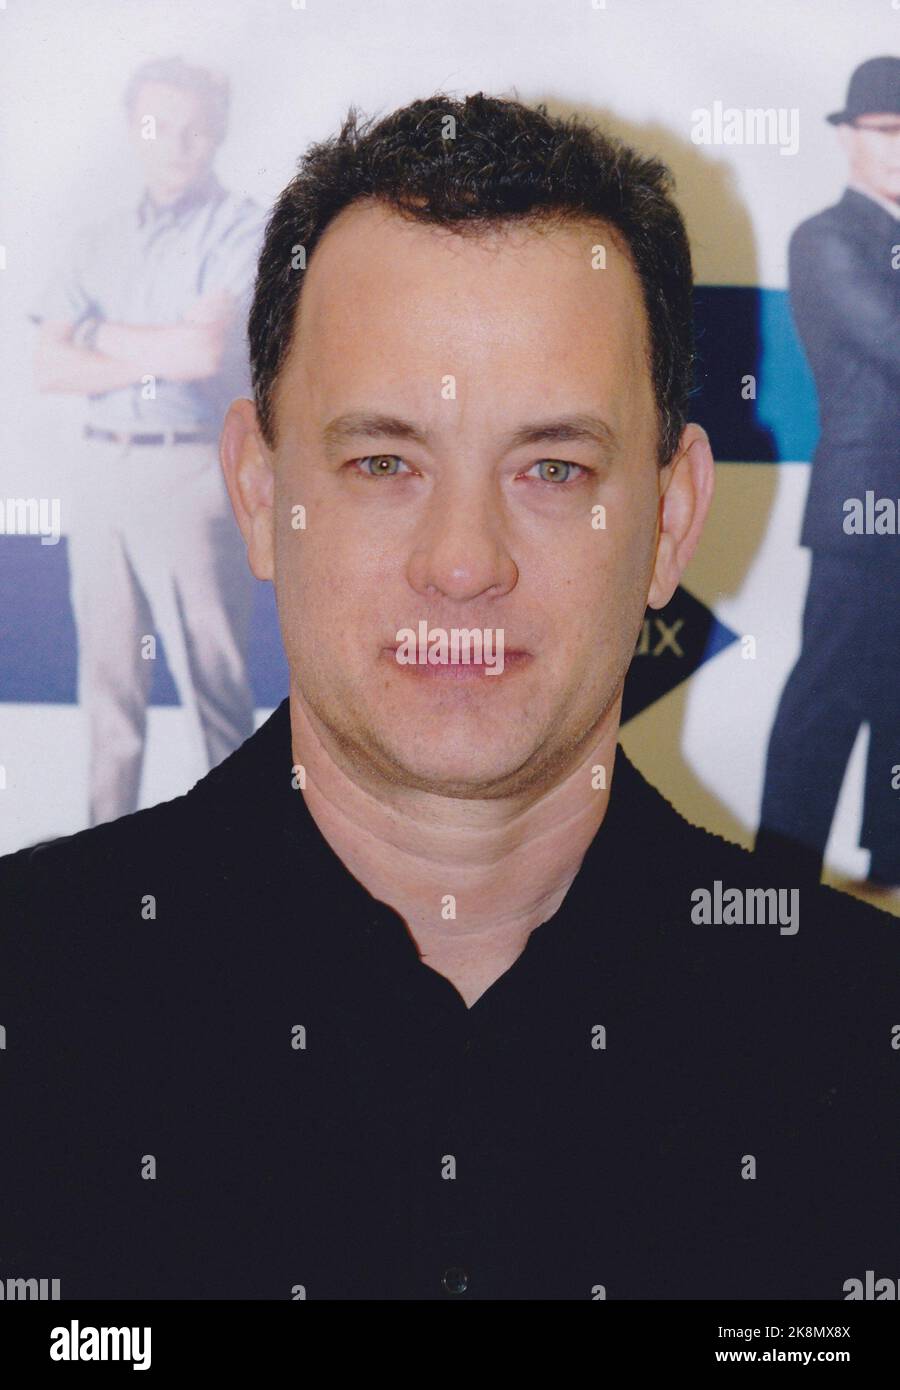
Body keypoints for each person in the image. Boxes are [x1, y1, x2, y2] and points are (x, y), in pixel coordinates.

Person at [1, 93, 897, 1301]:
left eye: (551, 467)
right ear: (259, 495)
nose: (463, 561)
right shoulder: (34, 1002)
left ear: (671, 518)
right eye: (384, 462)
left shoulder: (861, 1047)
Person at [30, 56, 261, 827]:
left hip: (189, 474)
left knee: (214, 689)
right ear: (135, 129)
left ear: (219, 132)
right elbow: (49, 366)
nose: (178, 143)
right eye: (161, 125)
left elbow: (201, 358)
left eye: (197, 128)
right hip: (99, 471)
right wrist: (148, 342)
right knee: (109, 695)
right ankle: (98, 874)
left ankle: (240, 877)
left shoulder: (244, 227)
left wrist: (94, 333)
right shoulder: (93, 238)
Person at [757, 57, 900, 896]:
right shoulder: (827, 238)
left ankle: (891, 867)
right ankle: (779, 879)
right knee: (827, 697)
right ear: (849, 140)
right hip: (862, 510)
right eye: (885, 133)